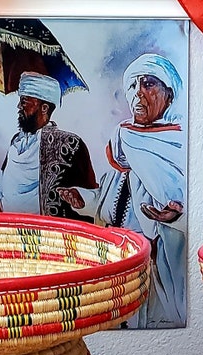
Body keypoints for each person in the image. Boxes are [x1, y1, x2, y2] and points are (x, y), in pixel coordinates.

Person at [60, 54, 186, 328]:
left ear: (169, 94)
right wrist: (83, 199)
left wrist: (175, 215)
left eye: (149, 84)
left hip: (154, 261)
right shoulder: (124, 140)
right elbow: (109, 194)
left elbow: (186, 201)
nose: (138, 93)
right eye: (133, 86)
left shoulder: (178, 144)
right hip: (118, 258)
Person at [0, 73, 96, 218]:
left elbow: (90, 197)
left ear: (44, 107)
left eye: (24, 101)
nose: (18, 106)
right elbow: (7, 189)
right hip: (10, 231)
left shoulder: (69, 144)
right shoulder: (17, 141)